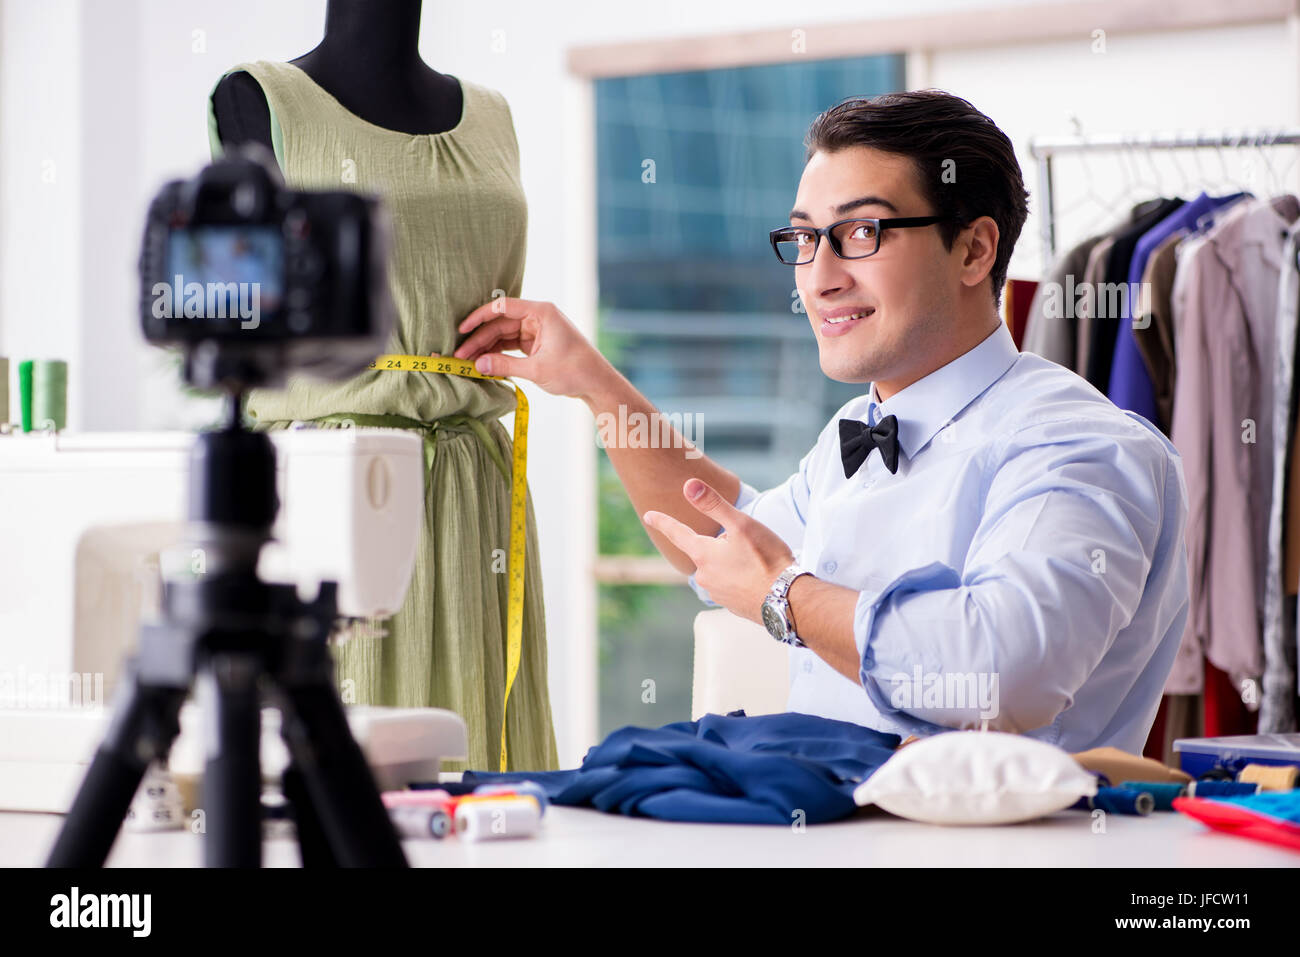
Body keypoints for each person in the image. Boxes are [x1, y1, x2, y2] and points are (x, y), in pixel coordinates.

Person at [451, 89, 1189, 755]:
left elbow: (1000, 673)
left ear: (974, 249)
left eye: (862, 233)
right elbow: (723, 544)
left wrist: (786, 597)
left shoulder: (1080, 445)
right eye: (805, 238)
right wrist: (593, 384)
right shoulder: (856, 428)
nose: (819, 276)